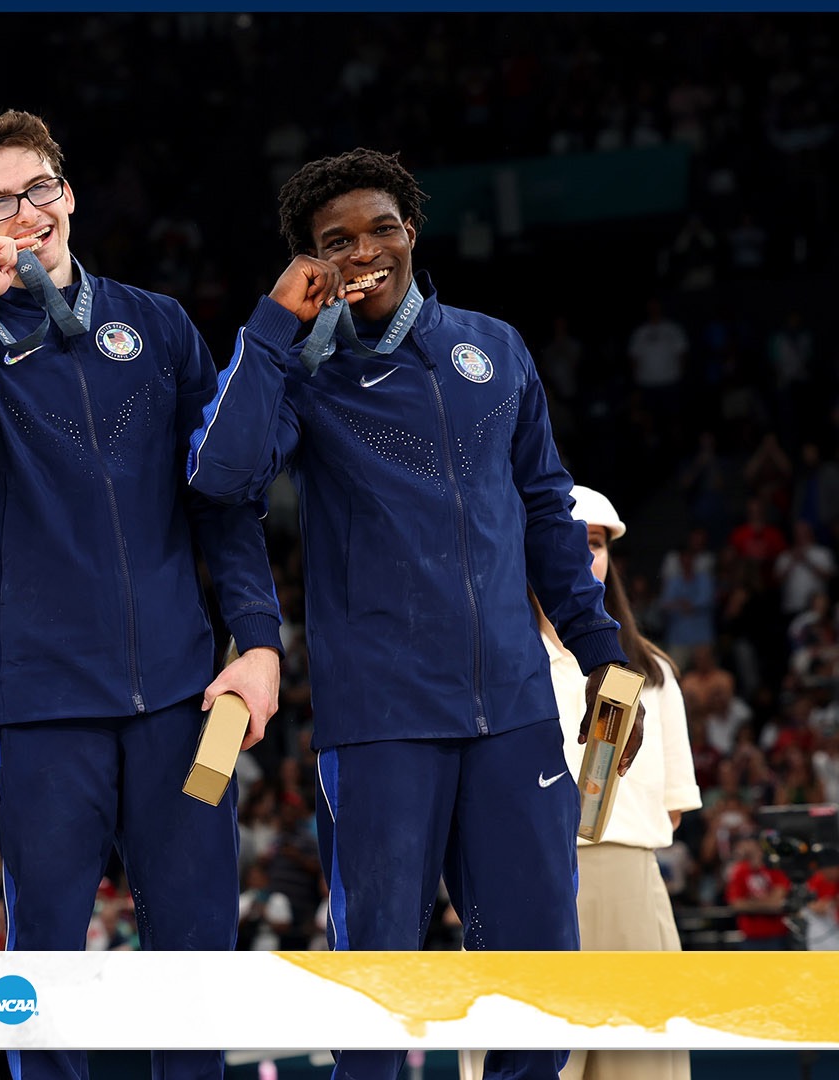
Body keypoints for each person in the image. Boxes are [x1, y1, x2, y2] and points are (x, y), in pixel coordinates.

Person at [185, 147, 640, 1080]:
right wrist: (276, 328)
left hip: (512, 711)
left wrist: (601, 650)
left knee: (539, 987)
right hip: (382, 720)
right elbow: (220, 477)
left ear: (412, 230)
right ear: (311, 261)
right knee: (380, 987)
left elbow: (547, 508)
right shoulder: (305, 376)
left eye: (380, 228)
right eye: (335, 241)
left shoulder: (493, 347)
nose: (365, 251)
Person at [0, 109, 281, 1080]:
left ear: (68, 189)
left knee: (194, 972)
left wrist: (259, 637)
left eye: (42, 188)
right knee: (43, 980)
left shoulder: (157, 325)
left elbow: (221, 501)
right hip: (41, 705)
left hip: (178, 697)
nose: (30, 214)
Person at [462, 485, 700, 1080]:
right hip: (519, 885)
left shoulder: (655, 674)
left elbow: (673, 810)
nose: (583, 556)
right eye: (570, 542)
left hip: (629, 887)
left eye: (594, 544)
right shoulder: (487, 662)